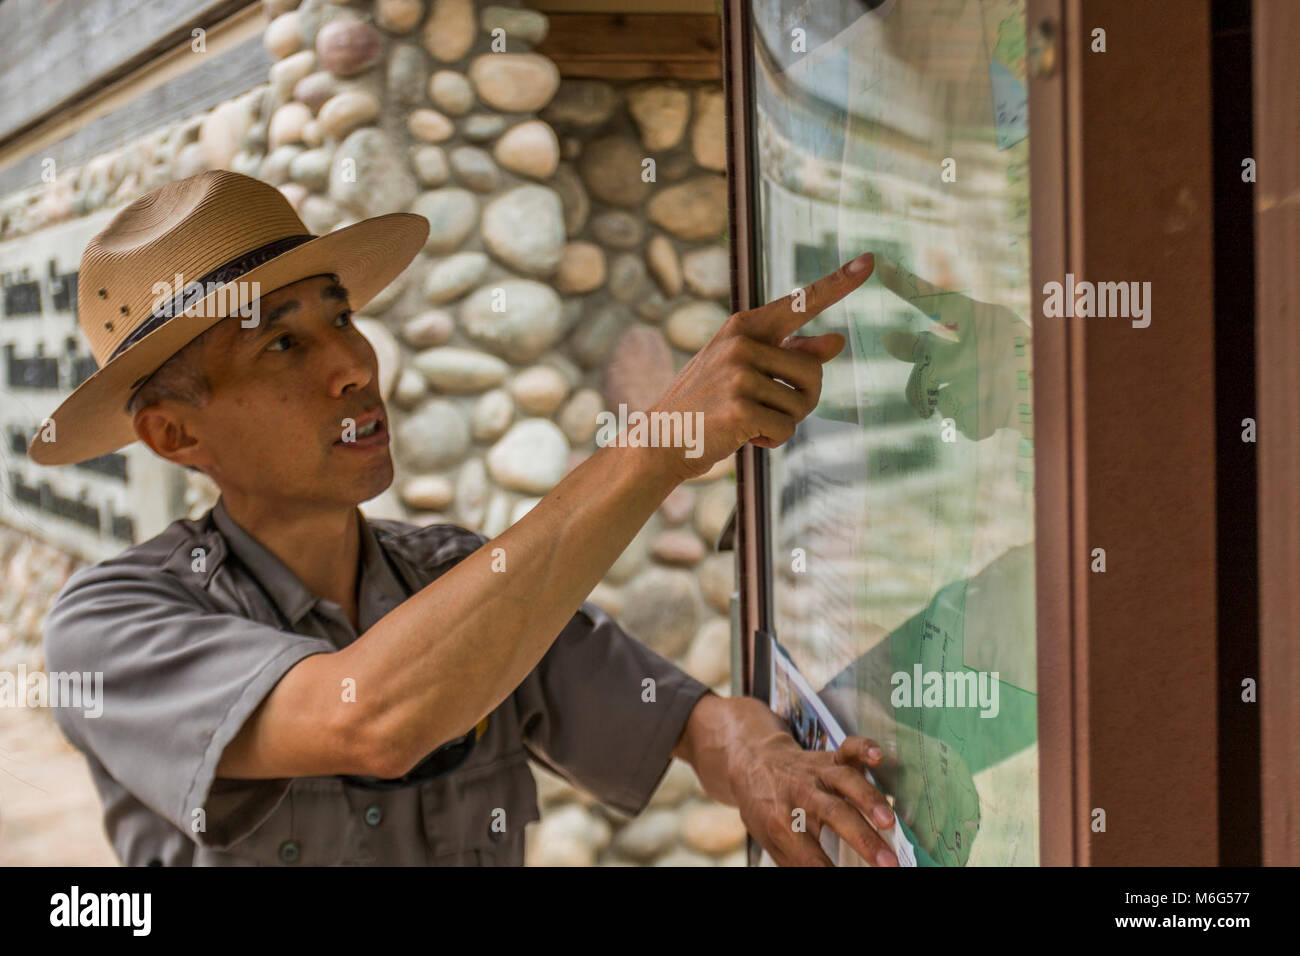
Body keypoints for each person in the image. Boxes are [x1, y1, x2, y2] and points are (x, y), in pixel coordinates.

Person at [33, 170, 898, 867]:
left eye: (341, 315)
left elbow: (688, 722)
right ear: (175, 433)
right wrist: (659, 445)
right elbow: (367, 715)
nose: (353, 365)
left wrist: (761, 759)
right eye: (282, 344)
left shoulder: (460, 583)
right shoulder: (111, 628)